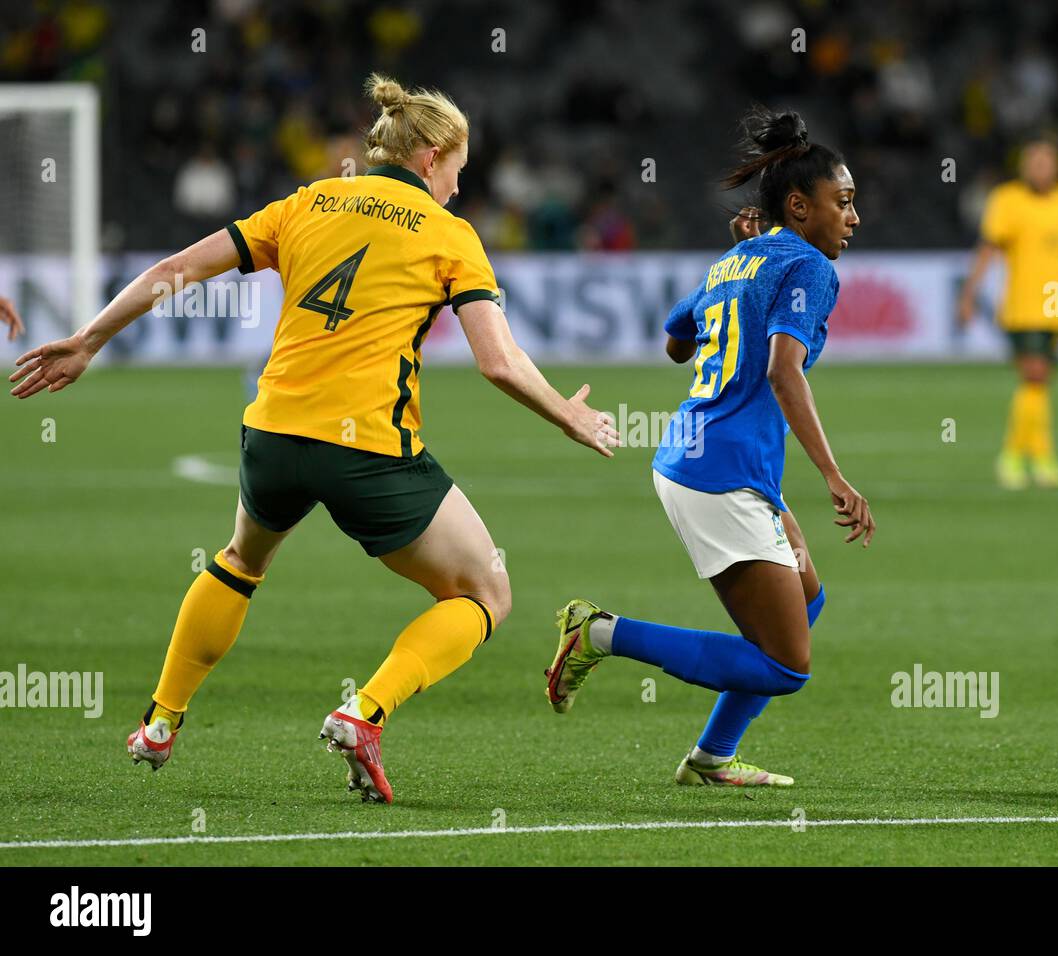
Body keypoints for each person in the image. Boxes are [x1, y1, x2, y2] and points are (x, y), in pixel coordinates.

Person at [9, 74, 618, 804]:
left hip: (272, 437)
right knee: (487, 590)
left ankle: (161, 721)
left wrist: (86, 340)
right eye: (459, 167)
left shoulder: (306, 202)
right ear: (429, 158)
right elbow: (498, 360)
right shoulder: (450, 235)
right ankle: (365, 712)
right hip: (367, 452)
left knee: (239, 561)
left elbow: (175, 271)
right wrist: (569, 415)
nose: (461, 185)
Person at [543, 107, 874, 786]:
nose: (853, 217)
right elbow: (783, 372)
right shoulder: (809, 267)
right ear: (798, 206)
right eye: (842, 203)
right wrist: (836, 476)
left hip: (709, 457)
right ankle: (599, 634)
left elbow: (676, 344)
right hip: (719, 473)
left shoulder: (739, 258)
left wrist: (740, 263)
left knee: (807, 601)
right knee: (785, 665)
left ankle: (712, 758)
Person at [959, 138, 1058, 489]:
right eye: (1034, 161)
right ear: (1024, 166)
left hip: (1056, 307)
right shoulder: (1007, 200)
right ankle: (1021, 456)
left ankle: (1034, 457)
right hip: (1022, 307)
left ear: (1057, 166)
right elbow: (988, 249)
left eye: (1046, 161)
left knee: (1039, 383)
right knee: (1035, 376)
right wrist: (969, 294)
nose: (1040, 167)